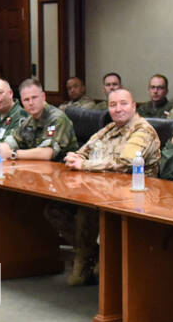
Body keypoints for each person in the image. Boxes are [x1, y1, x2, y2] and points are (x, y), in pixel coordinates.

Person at [49, 87, 161, 286]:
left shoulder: (143, 130)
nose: (118, 109)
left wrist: (85, 164)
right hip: (102, 190)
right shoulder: (110, 129)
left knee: (88, 212)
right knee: (55, 210)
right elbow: (83, 151)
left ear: (134, 106)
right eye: (113, 105)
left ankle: (90, 259)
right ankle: (90, 254)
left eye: (123, 104)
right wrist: (77, 158)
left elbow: (125, 162)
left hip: (135, 198)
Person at [0, 78, 79, 163]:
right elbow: (11, 141)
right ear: (22, 102)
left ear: (43, 97)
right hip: (39, 168)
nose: (31, 103)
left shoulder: (57, 118)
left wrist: (12, 154)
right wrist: (4, 149)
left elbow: (47, 153)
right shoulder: (29, 121)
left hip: (64, 170)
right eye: (26, 100)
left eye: (34, 98)